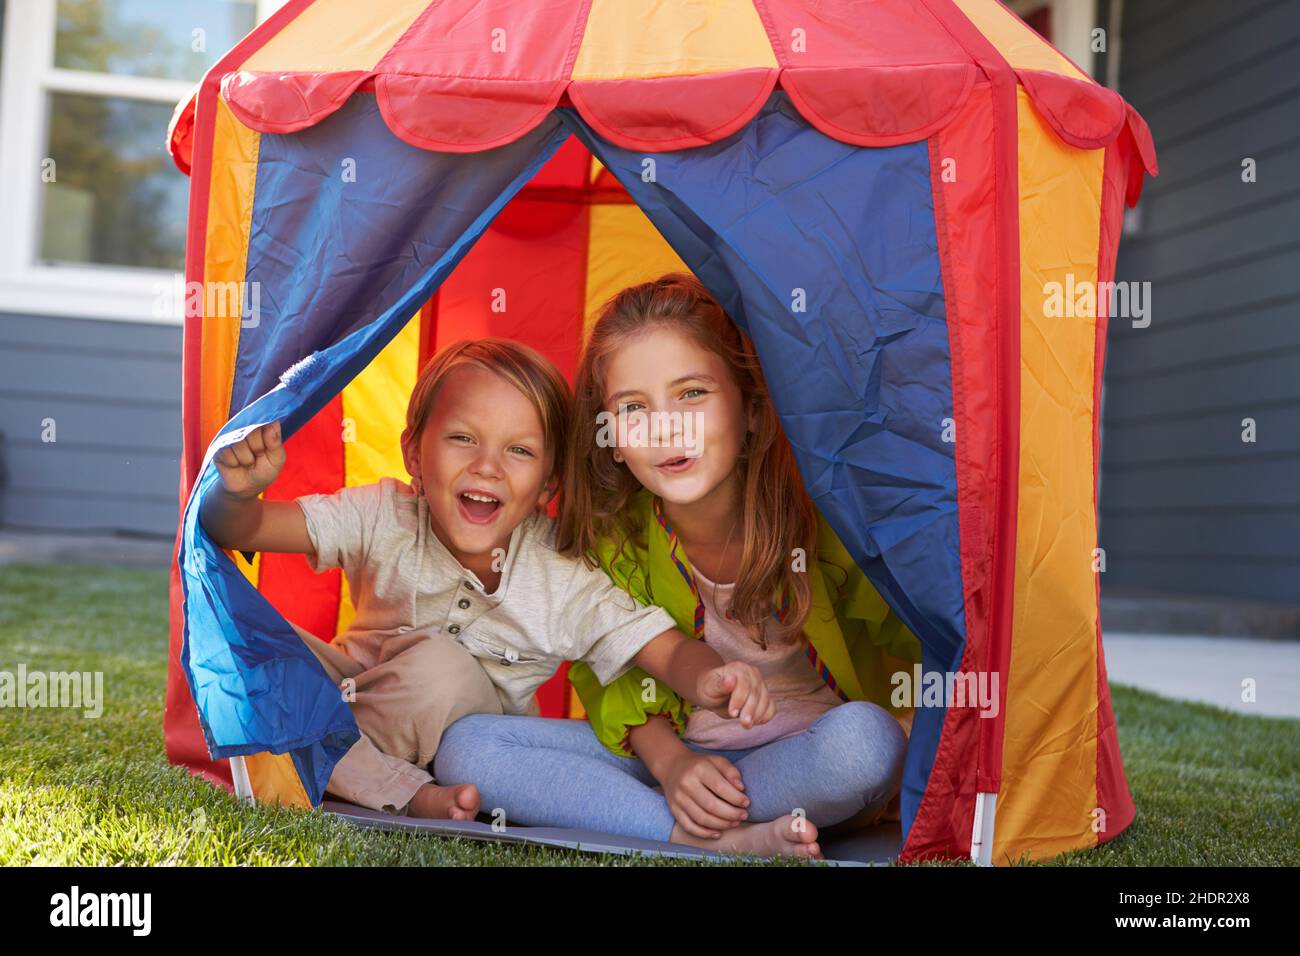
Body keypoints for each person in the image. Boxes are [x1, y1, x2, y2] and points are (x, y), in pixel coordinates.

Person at [433, 275, 920, 860]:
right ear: (611, 437)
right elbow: (606, 671)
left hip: (803, 757)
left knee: (869, 742)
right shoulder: (616, 535)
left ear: (752, 410)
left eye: (692, 394)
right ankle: (698, 834)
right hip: (663, 762)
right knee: (470, 747)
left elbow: (924, 627)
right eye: (634, 407)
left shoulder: (821, 515)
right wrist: (674, 765)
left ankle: (671, 824)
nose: (667, 426)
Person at [200, 337, 773, 821]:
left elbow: (663, 650)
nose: (487, 466)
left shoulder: (561, 574)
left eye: (519, 451)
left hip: (463, 741)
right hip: (356, 697)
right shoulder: (382, 515)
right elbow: (240, 529)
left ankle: (374, 781)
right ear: (414, 454)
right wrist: (239, 491)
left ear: (548, 486)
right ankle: (358, 772)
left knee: (440, 667)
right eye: (462, 438)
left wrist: (713, 680)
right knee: (250, 638)